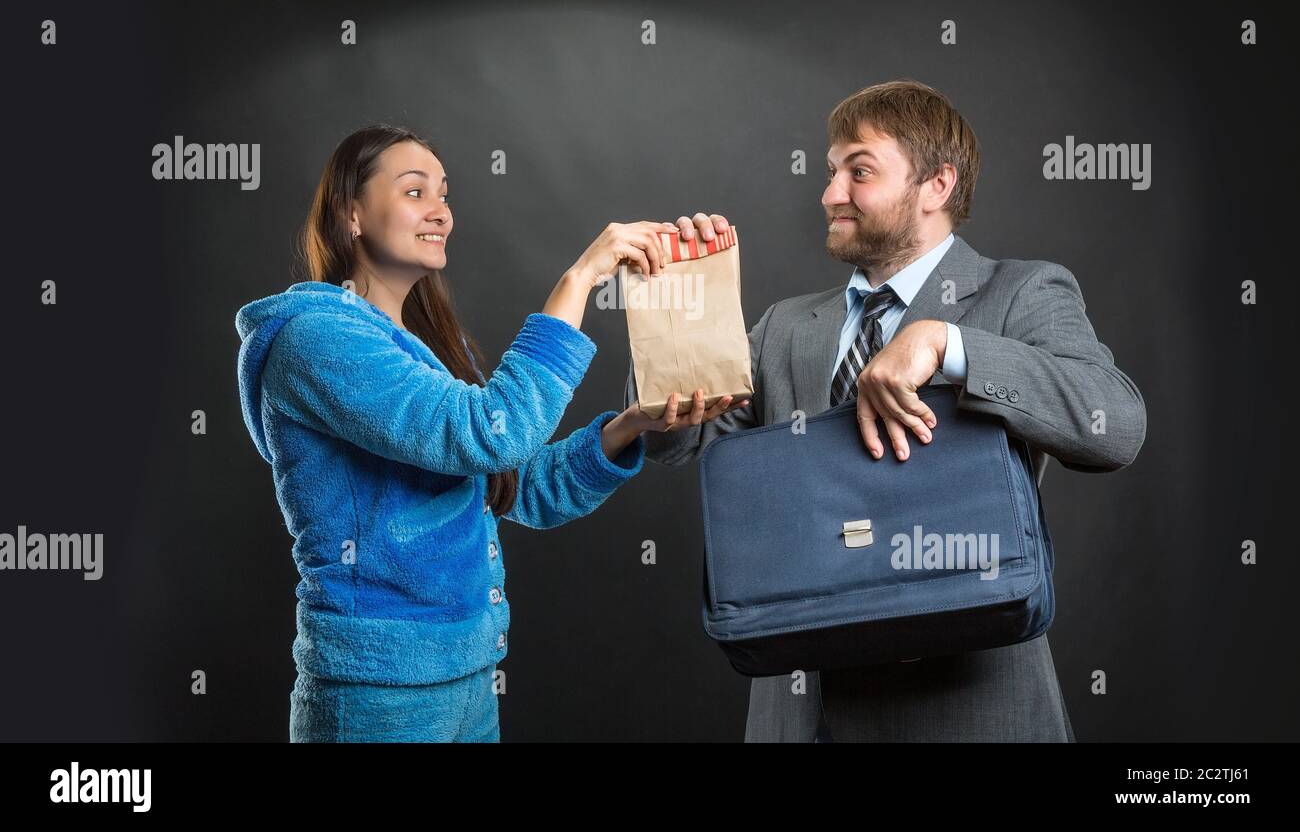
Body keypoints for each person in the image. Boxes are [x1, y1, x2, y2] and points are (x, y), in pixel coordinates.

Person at [629, 80, 1146, 742]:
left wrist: (945, 344)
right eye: (830, 171)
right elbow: (676, 444)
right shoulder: (783, 327)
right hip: (800, 713)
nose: (829, 194)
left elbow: (1117, 426)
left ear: (936, 184)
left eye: (859, 171)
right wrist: (679, 320)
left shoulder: (1021, 293)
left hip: (965, 709)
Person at [235, 123, 746, 742]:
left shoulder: (425, 352)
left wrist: (630, 425)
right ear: (351, 214)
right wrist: (578, 281)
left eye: (445, 195)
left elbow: (516, 485)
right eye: (415, 192)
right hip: (376, 698)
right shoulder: (315, 341)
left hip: (469, 680)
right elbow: (492, 433)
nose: (441, 213)